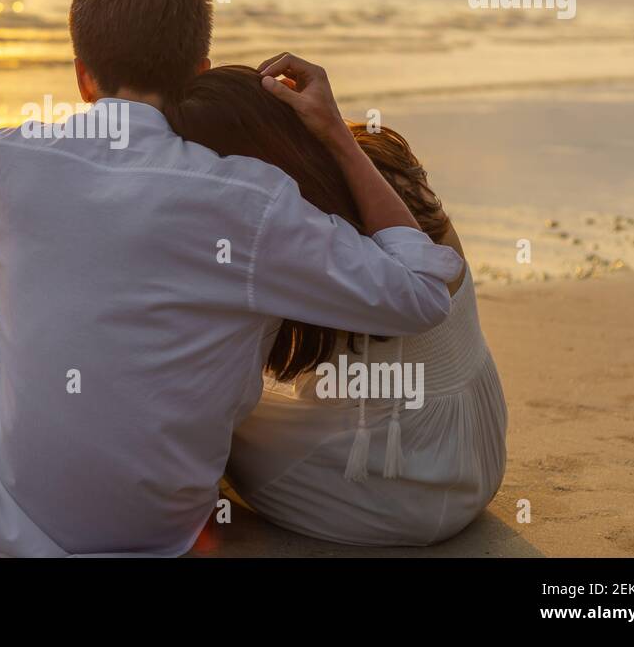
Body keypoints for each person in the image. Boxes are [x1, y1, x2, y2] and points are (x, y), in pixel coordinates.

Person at [0, 0, 463, 556]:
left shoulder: (6, 163)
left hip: (16, 523)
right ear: (198, 73)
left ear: (84, 77)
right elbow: (421, 293)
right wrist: (337, 137)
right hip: (164, 530)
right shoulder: (250, 198)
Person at [168, 64, 507, 546]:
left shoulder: (273, 223)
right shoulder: (377, 160)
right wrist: (333, 131)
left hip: (382, 483)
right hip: (474, 455)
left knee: (184, 413)